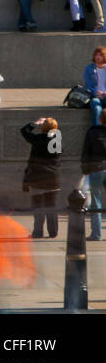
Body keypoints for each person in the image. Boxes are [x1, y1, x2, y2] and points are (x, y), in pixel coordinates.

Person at [22, 118, 61, 238]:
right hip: (52, 179)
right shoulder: (56, 141)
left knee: (38, 206)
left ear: (43, 128)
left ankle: (38, 232)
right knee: (51, 206)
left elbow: (24, 131)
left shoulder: (37, 139)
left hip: (36, 177)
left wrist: (36, 123)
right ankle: (53, 232)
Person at [81, 110, 106, 241]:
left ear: (100, 119)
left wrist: (84, 169)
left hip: (97, 168)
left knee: (96, 204)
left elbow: (86, 152)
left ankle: (96, 234)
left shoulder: (92, 132)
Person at [85, 46, 106, 124]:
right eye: (96, 54)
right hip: (95, 96)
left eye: (100, 55)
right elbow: (88, 85)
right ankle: (96, 132)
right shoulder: (89, 68)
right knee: (97, 108)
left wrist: (104, 94)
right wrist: (96, 93)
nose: (97, 57)